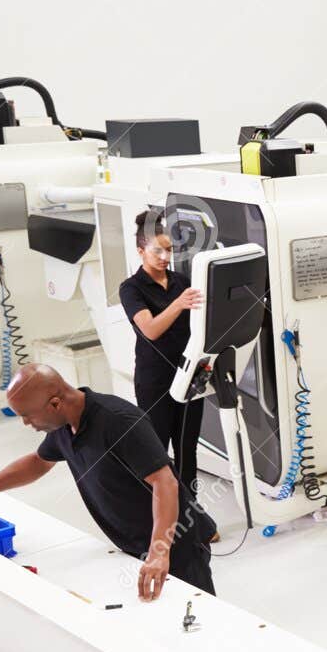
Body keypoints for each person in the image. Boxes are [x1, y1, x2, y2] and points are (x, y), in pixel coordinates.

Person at [0, 365, 216, 599]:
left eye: (27, 416)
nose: (26, 423)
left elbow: (165, 483)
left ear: (55, 403)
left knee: (197, 618)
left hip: (176, 542)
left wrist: (159, 552)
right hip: (135, 545)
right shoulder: (63, 425)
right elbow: (38, 462)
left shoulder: (119, 421)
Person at [117, 211, 205, 499]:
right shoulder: (131, 289)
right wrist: (178, 304)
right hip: (155, 381)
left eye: (169, 249)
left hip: (187, 374)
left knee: (187, 448)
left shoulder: (181, 281)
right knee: (157, 452)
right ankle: (158, 515)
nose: (165, 256)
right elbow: (151, 330)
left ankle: (192, 511)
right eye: (158, 250)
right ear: (141, 251)